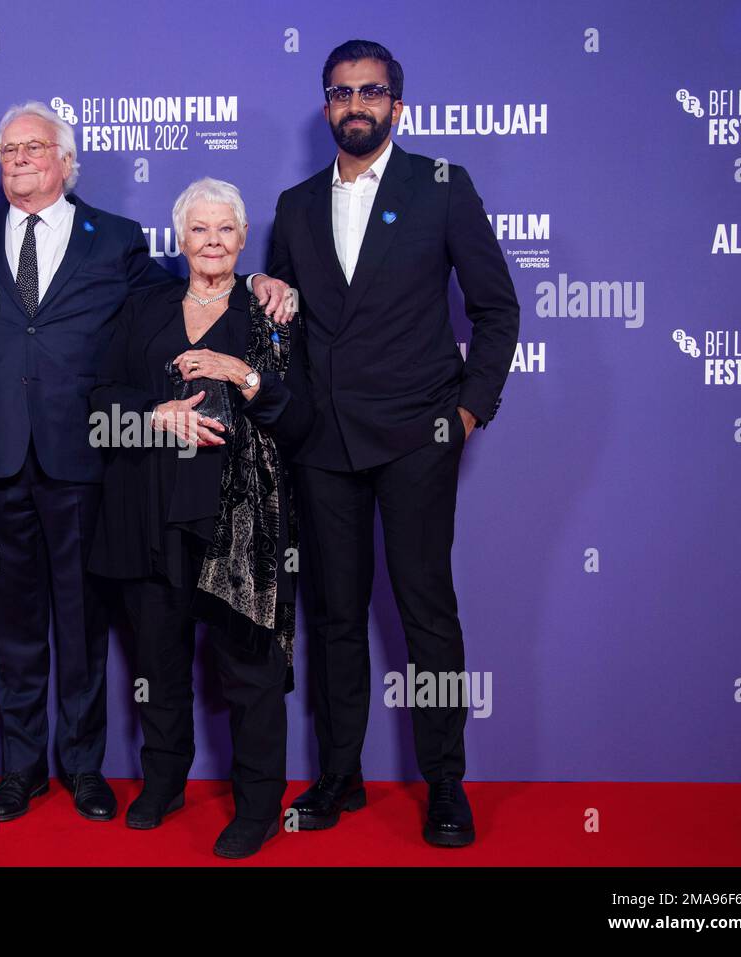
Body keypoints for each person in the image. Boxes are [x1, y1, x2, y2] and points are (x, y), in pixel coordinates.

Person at [0, 103, 296, 824]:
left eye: (35, 147)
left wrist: (263, 278)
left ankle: (82, 768)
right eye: (7, 148)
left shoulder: (117, 239)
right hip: (1, 460)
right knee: (13, 628)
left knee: (82, 627)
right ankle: (21, 770)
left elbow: (198, 279)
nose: (19, 159)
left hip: (85, 461)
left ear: (66, 161)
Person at [264, 39, 520, 846]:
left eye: (371, 92)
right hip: (324, 446)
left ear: (397, 106)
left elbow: (497, 309)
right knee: (336, 616)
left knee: (425, 611)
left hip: (417, 436)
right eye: (341, 93)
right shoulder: (295, 204)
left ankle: (446, 781)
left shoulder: (442, 187)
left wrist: (469, 411)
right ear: (327, 104)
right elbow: (286, 326)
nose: (356, 105)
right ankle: (341, 775)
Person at [90, 178, 313, 859]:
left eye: (225, 230)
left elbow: (299, 419)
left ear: (243, 241)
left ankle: (257, 805)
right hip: (149, 514)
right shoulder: (144, 306)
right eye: (199, 229)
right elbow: (97, 405)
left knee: (249, 674)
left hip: (239, 526)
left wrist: (240, 373)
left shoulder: (269, 309)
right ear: (179, 239)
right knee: (156, 662)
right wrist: (153, 415)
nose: (212, 240)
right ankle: (162, 783)